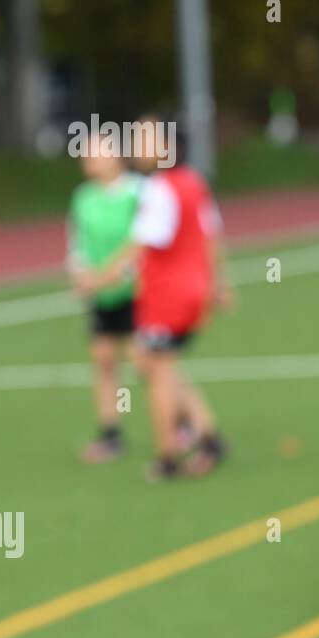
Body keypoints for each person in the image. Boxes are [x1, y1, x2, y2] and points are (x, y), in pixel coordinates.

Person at [79, 119, 233, 480]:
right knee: (152, 361)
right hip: (191, 291)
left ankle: (168, 456)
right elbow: (211, 234)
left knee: (156, 368)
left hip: (168, 297)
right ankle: (207, 436)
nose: (137, 146)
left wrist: (100, 278)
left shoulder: (160, 189)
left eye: (145, 140)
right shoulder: (193, 182)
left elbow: (141, 244)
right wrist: (218, 283)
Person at [66, 130, 144, 462]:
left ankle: (184, 424)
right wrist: (82, 274)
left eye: (96, 153)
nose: (89, 160)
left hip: (137, 293)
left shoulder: (138, 192)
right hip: (102, 295)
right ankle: (111, 434)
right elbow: (78, 243)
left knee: (147, 364)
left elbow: (142, 245)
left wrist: (108, 277)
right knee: (104, 361)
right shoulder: (83, 197)